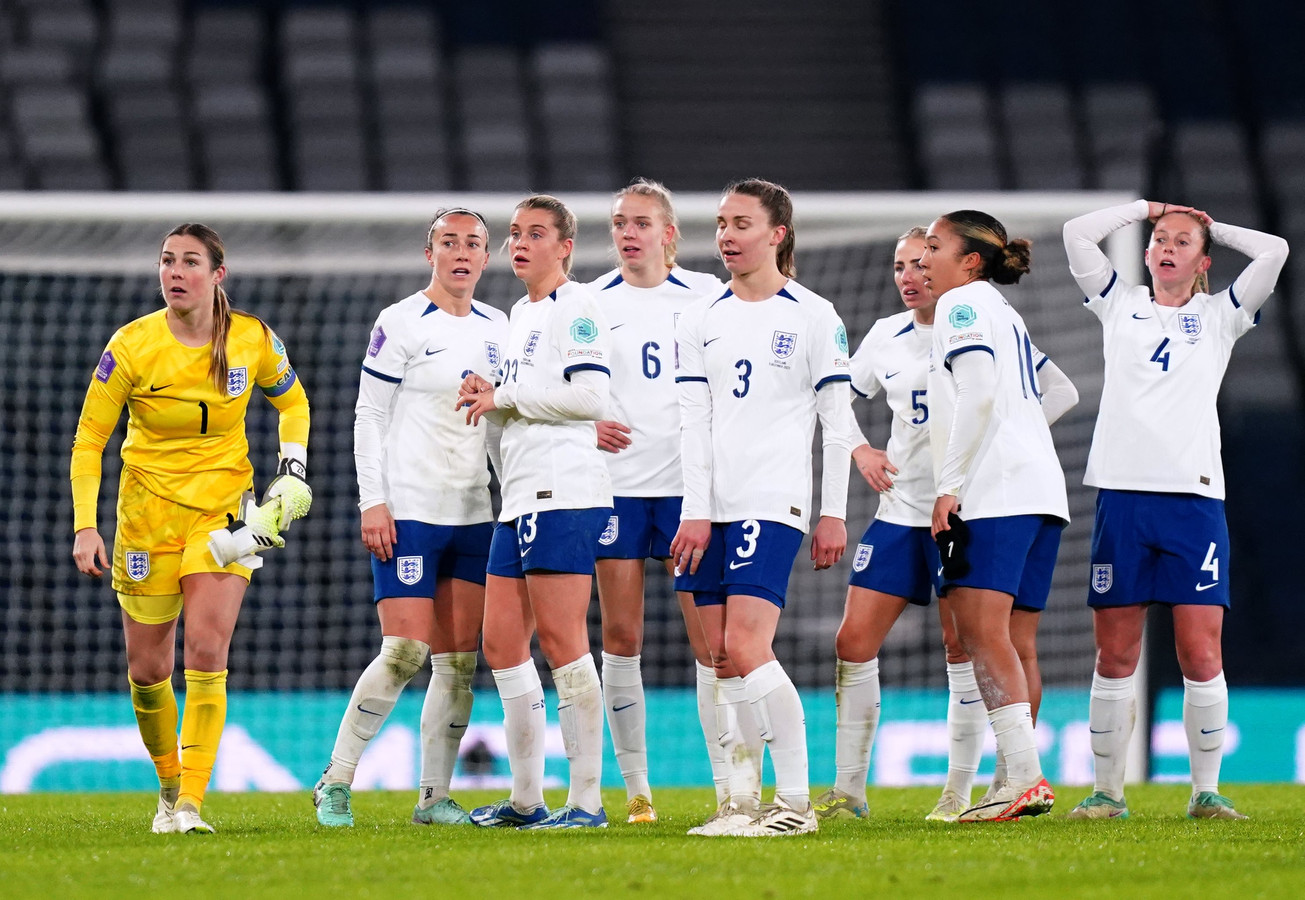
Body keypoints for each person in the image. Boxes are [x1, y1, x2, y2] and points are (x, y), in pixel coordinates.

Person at [814, 227, 1077, 824]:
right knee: (854, 641)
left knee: (970, 642)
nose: (912, 273)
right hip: (908, 508)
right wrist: (860, 450)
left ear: (958, 262)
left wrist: (999, 444)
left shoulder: (970, 315)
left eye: (924, 257)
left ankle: (963, 790)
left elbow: (1054, 390)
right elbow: (834, 399)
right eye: (902, 264)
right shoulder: (889, 335)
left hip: (967, 504)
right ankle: (850, 792)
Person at [70, 224, 311, 834]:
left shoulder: (251, 338)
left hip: (223, 511)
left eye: (189, 262)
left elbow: (294, 403)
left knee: (207, 650)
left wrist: (292, 469)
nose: (175, 272)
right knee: (149, 671)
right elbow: (90, 441)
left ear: (216, 275)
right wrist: (85, 526)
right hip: (146, 516)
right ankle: (168, 786)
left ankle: (191, 805)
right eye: (167, 261)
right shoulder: (130, 347)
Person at [1062, 201, 1288, 820]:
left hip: (1193, 502)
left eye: (1182, 242)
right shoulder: (1119, 303)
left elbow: (1275, 251)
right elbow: (1074, 233)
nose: (1166, 247)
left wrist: (1210, 224)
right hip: (1122, 497)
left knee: (1201, 651)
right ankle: (1108, 793)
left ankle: (1205, 792)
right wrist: (1144, 209)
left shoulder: (1222, 316)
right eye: (1159, 238)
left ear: (1203, 261)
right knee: (1115, 655)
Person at [670, 178, 862, 837]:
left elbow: (837, 423)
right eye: (721, 222)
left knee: (744, 644)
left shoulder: (813, 314)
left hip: (770, 498)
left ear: (776, 234)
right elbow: (692, 423)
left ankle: (796, 805)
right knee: (720, 659)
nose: (725, 234)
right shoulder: (699, 317)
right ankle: (744, 803)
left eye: (741, 223)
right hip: (708, 507)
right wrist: (693, 509)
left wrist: (831, 512)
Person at [313, 209, 508, 827]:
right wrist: (374, 500)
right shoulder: (399, 322)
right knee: (402, 651)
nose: (461, 252)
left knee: (458, 663)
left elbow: (503, 419)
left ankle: (433, 797)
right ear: (430, 252)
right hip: (412, 511)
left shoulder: (500, 328)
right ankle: (336, 781)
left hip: (474, 512)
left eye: (473, 243)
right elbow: (368, 415)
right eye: (449, 241)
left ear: (485, 257)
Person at [457, 195, 614, 830]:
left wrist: (508, 395)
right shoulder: (518, 315)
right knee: (500, 643)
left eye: (536, 234)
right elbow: (521, 402)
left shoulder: (578, 309)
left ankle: (587, 802)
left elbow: (591, 396)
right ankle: (527, 800)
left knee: (563, 643)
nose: (519, 244)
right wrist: (489, 402)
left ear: (565, 247)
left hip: (566, 493)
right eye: (515, 234)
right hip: (519, 496)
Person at [587, 179, 730, 825]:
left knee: (712, 642)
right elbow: (562, 386)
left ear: (668, 233)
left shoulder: (706, 296)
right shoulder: (587, 301)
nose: (627, 232)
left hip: (688, 491)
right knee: (620, 636)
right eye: (620, 221)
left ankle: (731, 784)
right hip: (614, 487)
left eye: (641, 222)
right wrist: (580, 422)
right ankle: (637, 790)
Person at [922, 209, 1069, 823]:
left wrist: (950, 485)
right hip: (1041, 492)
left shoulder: (960, 308)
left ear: (970, 260)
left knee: (981, 636)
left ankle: (1025, 779)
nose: (924, 256)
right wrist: (1021, 438)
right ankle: (1013, 779)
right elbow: (1062, 392)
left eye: (933, 246)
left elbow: (979, 395)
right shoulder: (1004, 313)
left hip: (996, 495)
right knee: (1018, 641)